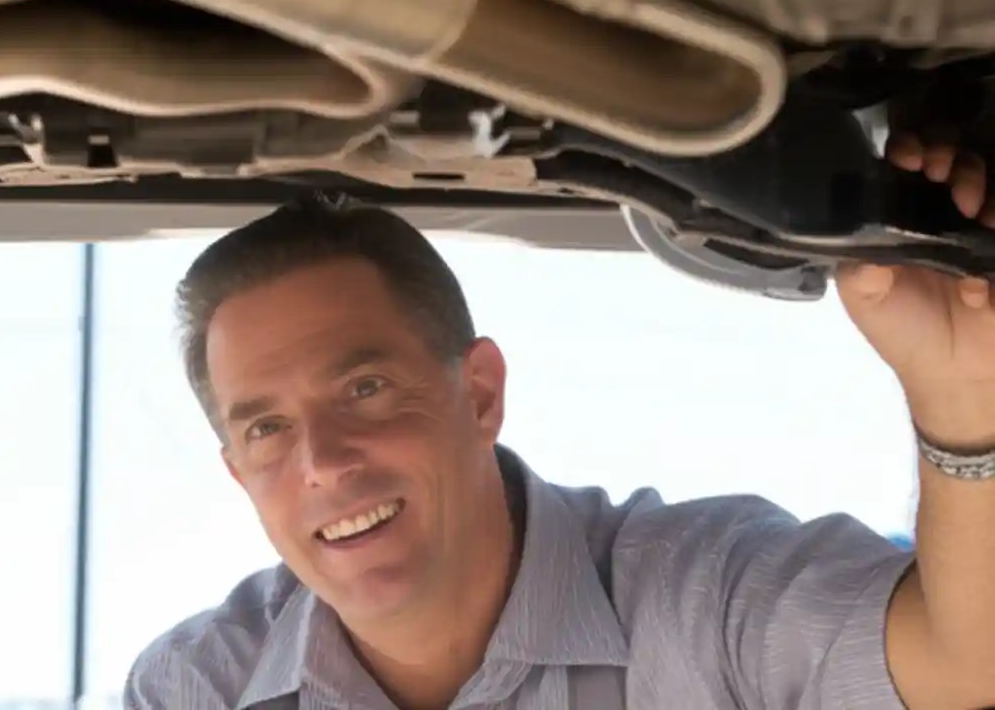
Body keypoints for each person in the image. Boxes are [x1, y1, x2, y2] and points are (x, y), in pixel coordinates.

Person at [122, 128, 995, 710]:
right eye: (266, 429)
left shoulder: (702, 601)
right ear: (237, 471)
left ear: (480, 396)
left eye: (364, 389)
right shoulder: (195, 689)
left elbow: (966, 667)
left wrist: (962, 402)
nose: (321, 461)